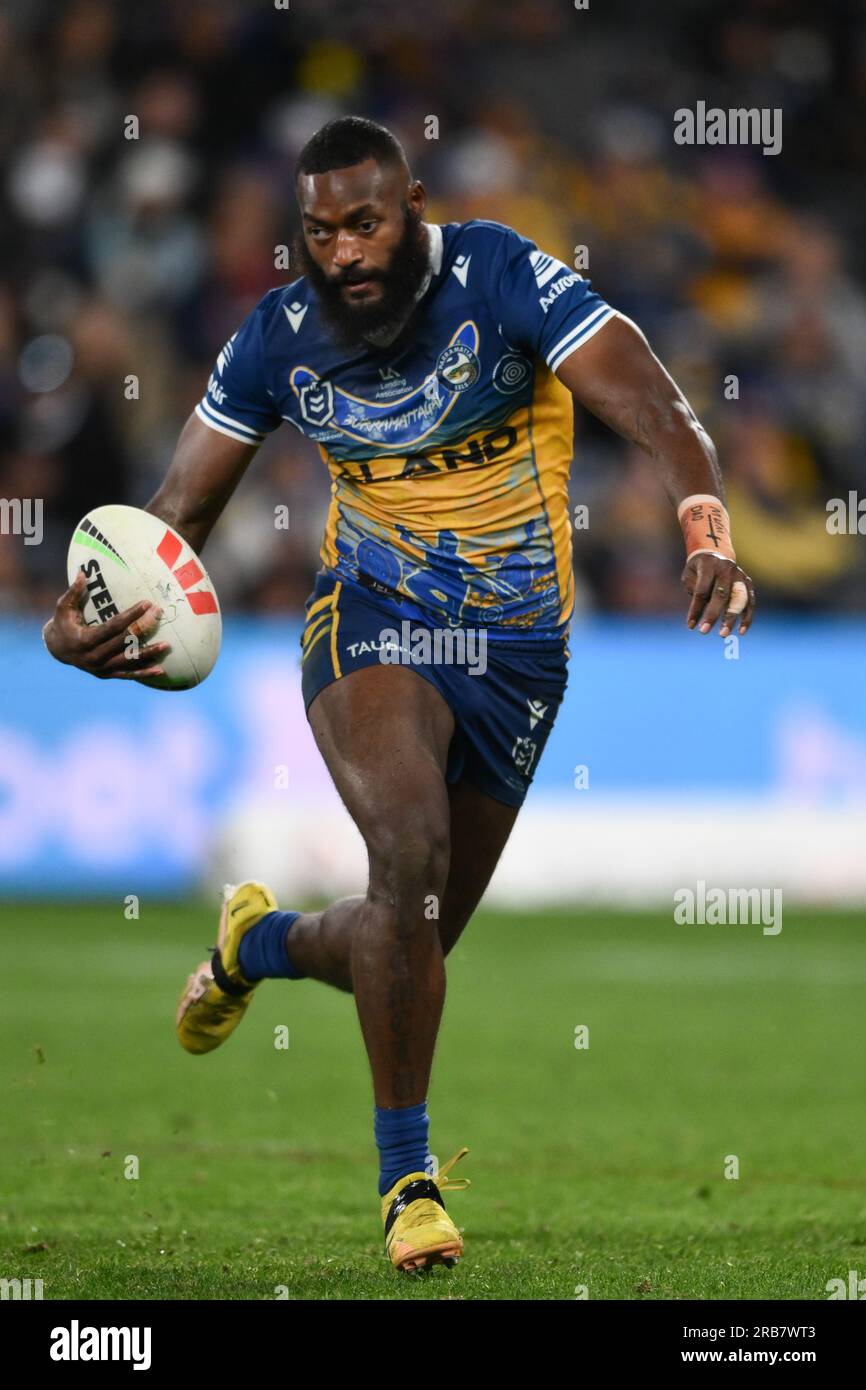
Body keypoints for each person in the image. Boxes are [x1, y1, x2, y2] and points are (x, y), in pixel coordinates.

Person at [42, 116, 756, 1275]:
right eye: (319, 231)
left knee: (404, 936)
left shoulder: (503, 275)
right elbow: (172, 518)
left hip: (519, 654)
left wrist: (699, 518)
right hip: (369, 619)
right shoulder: (273, 342)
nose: (345, 251)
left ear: (411, 204)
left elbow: (655, 405)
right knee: (407, 845)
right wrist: (82, 608)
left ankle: (256, 943)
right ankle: (405, 1180)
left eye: (365, 222)